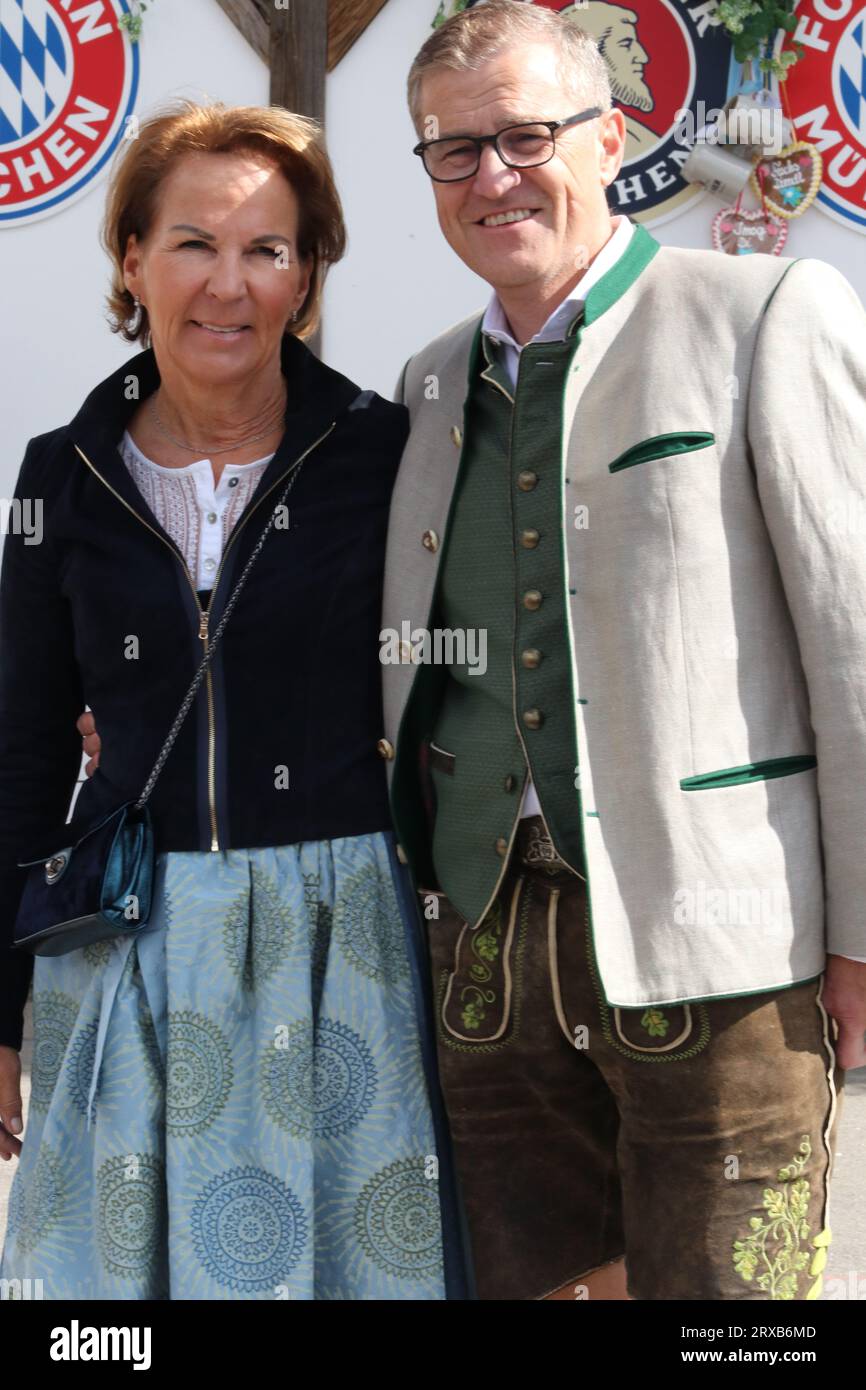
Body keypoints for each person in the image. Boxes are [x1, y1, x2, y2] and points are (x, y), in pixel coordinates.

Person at [377, 1, 866, 1300]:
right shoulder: (424, 385)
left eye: (526, 135)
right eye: (453, 149)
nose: (492, 175)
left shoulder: (765, 314)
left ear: (613, 137)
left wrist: (865, 931)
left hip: (720, 950)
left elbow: (854, 651)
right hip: (482, 956)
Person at [0, 100, 468, 1301]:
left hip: (342, 942)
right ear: (131, 259)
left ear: (307, 275)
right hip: (126, 951)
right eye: (194, 243)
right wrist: (0, 1011)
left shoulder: (388, 451)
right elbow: (20, 745)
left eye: (269, 249)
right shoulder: (60, 472)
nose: (228, 283)